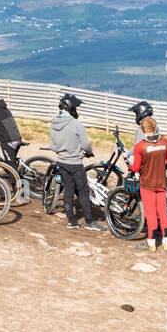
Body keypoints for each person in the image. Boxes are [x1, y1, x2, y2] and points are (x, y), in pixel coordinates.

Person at [49, 94, 103, 231]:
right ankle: (90, 222)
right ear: (71, 107)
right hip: (75, 163)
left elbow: (53, 145)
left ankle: (72, 221)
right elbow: (86, 144)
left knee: (68, 190)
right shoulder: (76, 123)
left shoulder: (54, 123)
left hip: (61, 162)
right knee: (83, 191)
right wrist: (88, 152)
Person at [131, 115, 167, 251]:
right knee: (162, 211)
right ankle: (166, 242)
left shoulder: (140, 146)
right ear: (155, 128)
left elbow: (136, 168)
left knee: (150, 213)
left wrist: (130, 167)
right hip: (161, 182)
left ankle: (151, 242)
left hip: (147, 184)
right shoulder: (165, 142)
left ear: (143, 130)